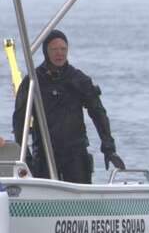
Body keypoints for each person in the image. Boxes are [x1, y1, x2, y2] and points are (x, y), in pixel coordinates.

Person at [10, 29, 123, 184]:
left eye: (63, 49)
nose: (59, 53)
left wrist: (109, 148)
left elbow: (98, 113)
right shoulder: (33, 81)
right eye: (54, 49)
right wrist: (25, 156)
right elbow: (19, 121)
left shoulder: (78, 79)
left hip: (75, 155)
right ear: (46, 51)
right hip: (44, 155)